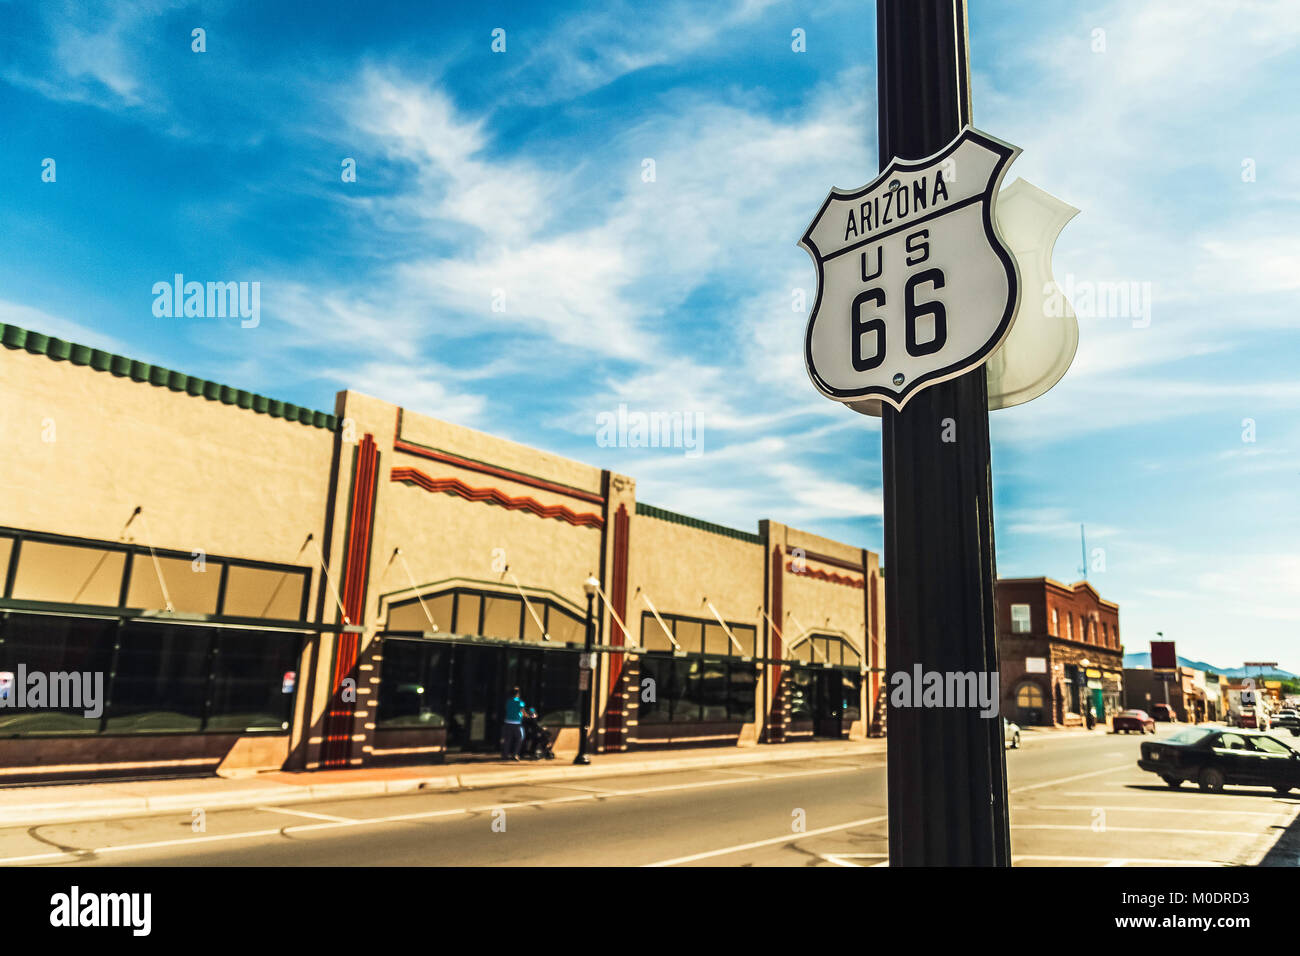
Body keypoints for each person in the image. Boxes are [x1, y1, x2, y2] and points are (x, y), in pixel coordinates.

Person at [502, 686, 526, 761]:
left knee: (508, 739)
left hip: (507, 722)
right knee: (520, 738)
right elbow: (523, 711)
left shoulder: (508, 701)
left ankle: (505, 755)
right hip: (517, 723)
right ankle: (515, 754)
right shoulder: (520, 702)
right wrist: (528, 715)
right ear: (518, 694)